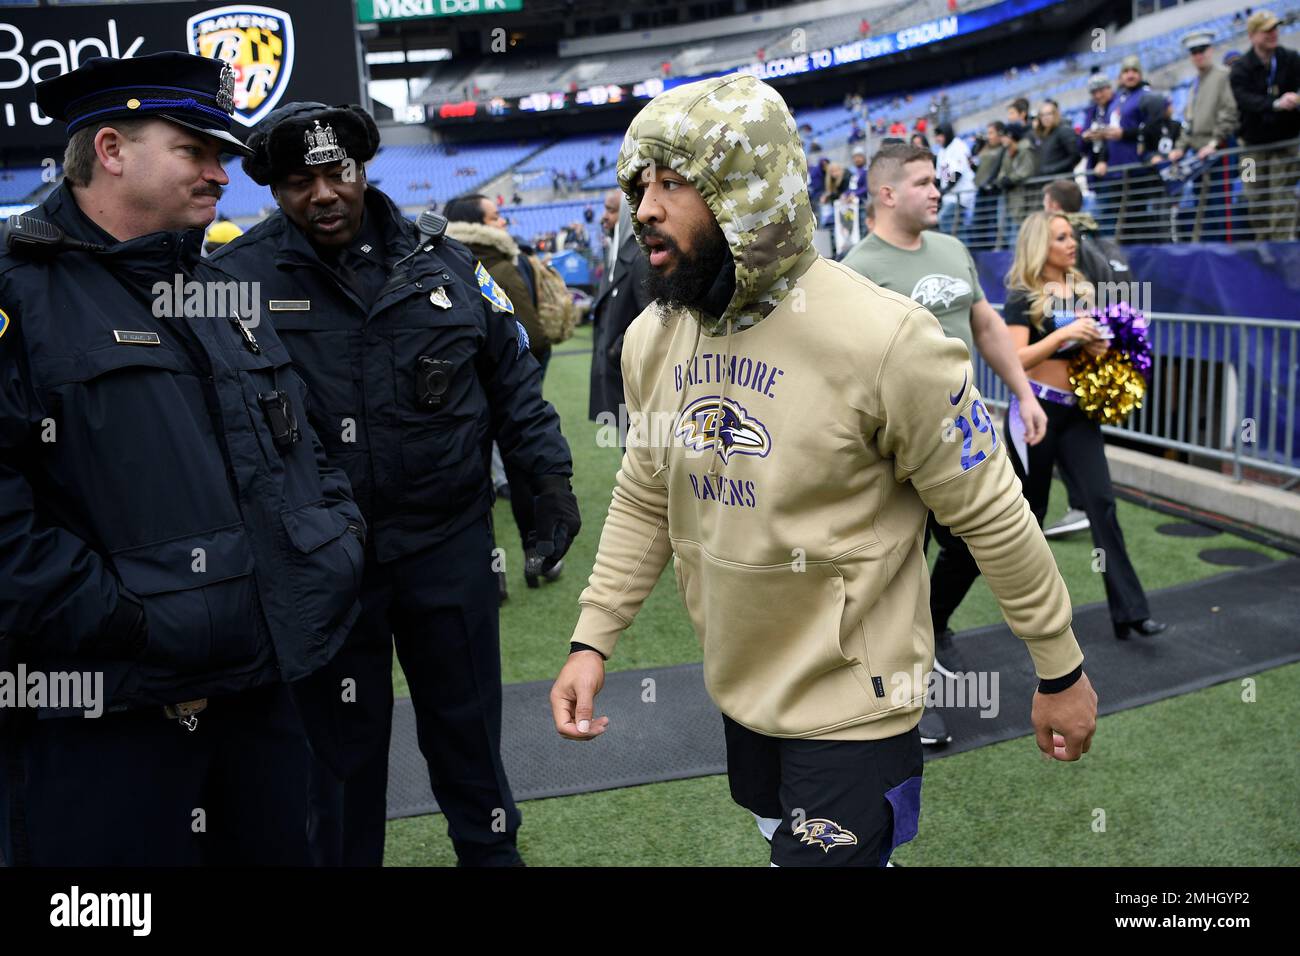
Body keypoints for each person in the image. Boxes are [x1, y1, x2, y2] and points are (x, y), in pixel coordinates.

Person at [549, 74, 1097, 868]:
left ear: (745, 192)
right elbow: (643, 497)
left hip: (856, 710)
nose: (645, 208)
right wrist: (592, 638)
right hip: (742, 693)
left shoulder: (886, 340)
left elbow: (993, 516)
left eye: (674, 183)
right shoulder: (653, 337)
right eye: (641, 185)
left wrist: (1060, 667)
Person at [0, 54, 365, 865]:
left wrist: (335, 545)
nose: (218, 175)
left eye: (221, 157)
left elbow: (298, 447)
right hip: (107, 713)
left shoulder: (209, 287)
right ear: (111, 149)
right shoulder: (19, 293)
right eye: (194, 151)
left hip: (260, 687)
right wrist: (132, 624)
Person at [212, 103, 580, 867]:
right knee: (339, 754)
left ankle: (491, 855)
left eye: (337, 172)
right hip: (323, 563)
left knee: (468, 726)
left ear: (364, 169)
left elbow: (512, 380)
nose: (323, 193)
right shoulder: (234, 280)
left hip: (447, 545)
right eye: (299, 181)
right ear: (275, 190)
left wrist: (547, 478)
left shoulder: (443, 260)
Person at [841, 143, 1049, 745]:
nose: (937, 190)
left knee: (978, 542)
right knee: (893, 568)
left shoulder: (953, 249)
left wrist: (1025, 395)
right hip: (894, 449)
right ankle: (910, 694)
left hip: (965, 436)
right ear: (886, 194)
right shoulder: (857, 266)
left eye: (937, 181)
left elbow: (985, 326)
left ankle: (932, 626)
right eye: (924, 182)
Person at [1001, 212, 1168, 642]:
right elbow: (1013, 359)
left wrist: (1097, 345)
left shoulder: (1082, 288)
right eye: (1061, 237)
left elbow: (1083, 348)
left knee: (1102, 503)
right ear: (1042, 244)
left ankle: (1131, 611)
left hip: (1078, 415)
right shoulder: (1022, 294)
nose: (1072, 243)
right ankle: (1029, 614)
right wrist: (1063, 335)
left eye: (1071, 236)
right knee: (1030, 514)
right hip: (1033, 413)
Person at [444, 193, 562, 594]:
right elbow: (528, 333)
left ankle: (493, 574)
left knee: (480, 490)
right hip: (503, 396)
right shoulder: (497, 267)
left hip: (460, 402)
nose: (503, 224)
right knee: (521, 477)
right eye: (495, 217)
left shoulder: (434, 264)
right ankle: (537, 558)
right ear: (476, 224)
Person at [1229, 10, 1300, 240]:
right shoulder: (1240, 68)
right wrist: (1276, 104)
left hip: (1287, 143)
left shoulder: (1291, 58)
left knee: (1283, 196)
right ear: (1252, 35)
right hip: (1251, 149)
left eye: (1275, 29)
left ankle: (1281, 249)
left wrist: (1296, 99)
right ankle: (1264, 245)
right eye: (1266, 30)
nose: (1273, 34)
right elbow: (1245, 100)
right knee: (1253, 196)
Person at [589, 190, 651, 446]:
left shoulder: (639, 258)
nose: (604, 217)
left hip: (636, 386)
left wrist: (617, 349)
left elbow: (652, 317)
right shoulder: (616, 254)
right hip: (619, 382)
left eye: (611, 210)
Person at [1169, 31, 1239, 242]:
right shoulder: (1194, 84)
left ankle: (1227, 257)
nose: (1198, 55)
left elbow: (1229, 112)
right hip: (1199, 157)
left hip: (1220, 151)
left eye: (1201, 50)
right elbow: (1189, 121)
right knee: (1206, 209)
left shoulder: (1223, 75)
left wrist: (1214, 142)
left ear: (1210, 51)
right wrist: (1180, 146)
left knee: (1221, 209)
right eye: (1193, 52)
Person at [934, 122, 975, 240]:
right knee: (956, 228)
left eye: (940, 135)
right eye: (936, 136)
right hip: (950, 196)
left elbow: (957, 173)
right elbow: (941, 175)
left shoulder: (958, 146)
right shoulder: (942, 151)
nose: (938, 139)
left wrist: (945, 189)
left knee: (944, 220)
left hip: (961, 194)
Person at [973, 121, 1007, 247]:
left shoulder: (1002, 149)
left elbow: (956, 174)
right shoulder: (984, 148)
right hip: (979, 188)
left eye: (991, 133)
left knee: (991, 224)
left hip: (990, 190)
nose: (988, 136)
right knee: (978, 224)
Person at [1035, 99, 1080, 177]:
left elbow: (1075, 156)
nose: (1045, 117)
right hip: (1048, 181)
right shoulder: (1043, 134)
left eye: (1049, 114)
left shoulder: (1064, 130)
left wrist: (1052, 169)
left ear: (1055, 114)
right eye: (1042, 115)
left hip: (1062, 180)